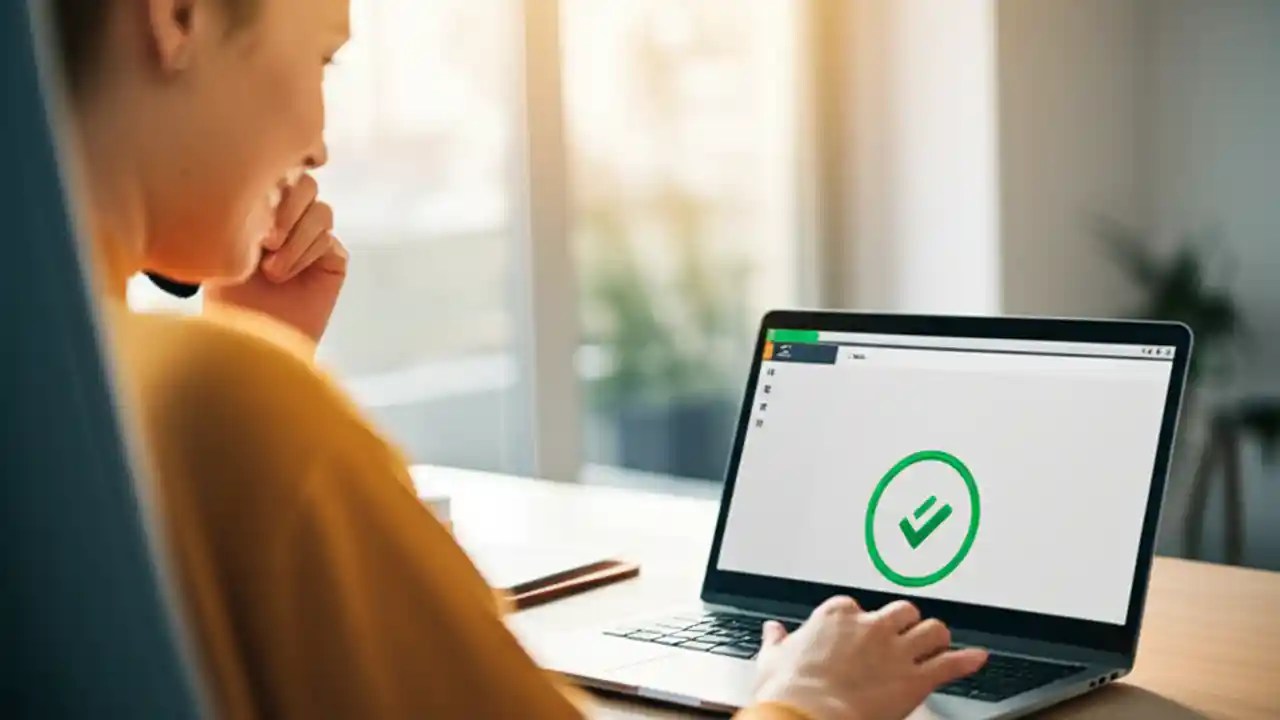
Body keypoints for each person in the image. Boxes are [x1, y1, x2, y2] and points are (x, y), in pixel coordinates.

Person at [49, 0, 988, 717]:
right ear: (176, 16)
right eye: (324, 55)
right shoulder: (217, 397)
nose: (321, 140)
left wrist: (255, 342)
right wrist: (808, 699)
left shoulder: (102, 388)